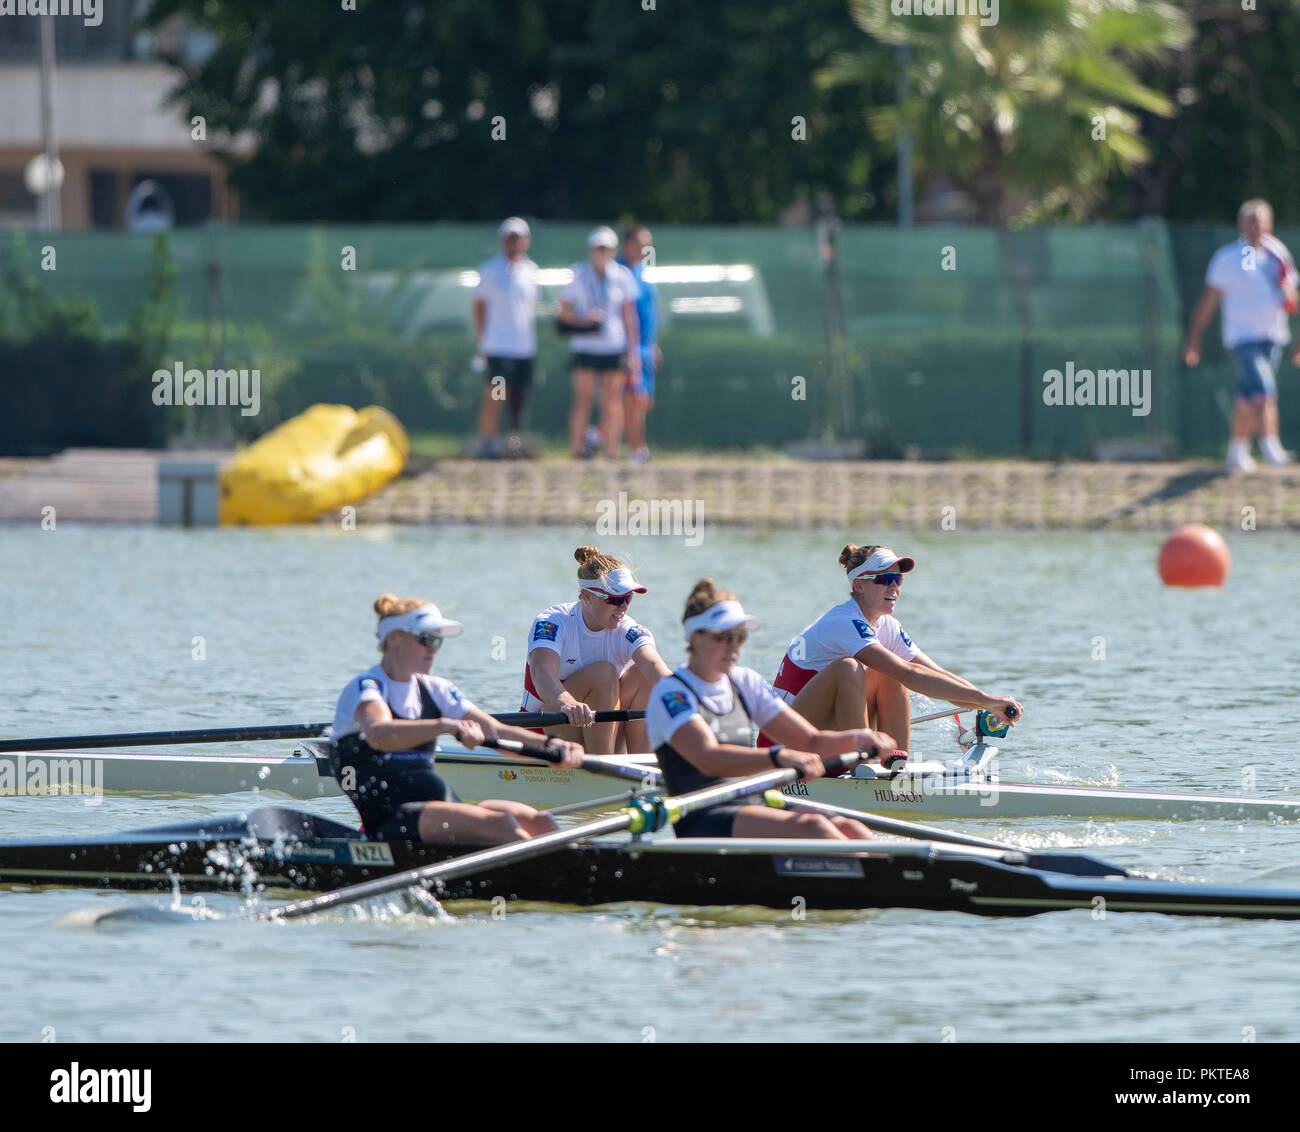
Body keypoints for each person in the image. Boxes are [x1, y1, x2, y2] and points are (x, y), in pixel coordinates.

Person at [647, 578, 894, 839]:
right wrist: (777, 757)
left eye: (739, 637)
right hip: (702, 816)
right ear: (695, 638)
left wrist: (860, 738)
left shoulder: (744, 681)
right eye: (723, 637)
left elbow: (810, 740)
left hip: (752, 800)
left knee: (850, 827)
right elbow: (707, 757)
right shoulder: (673, 693)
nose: (734, 646)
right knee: (815, 828)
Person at [332, 594, 583, 844]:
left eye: (437, 641)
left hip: (439, 806)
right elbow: (379, 734)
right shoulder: (368, 687)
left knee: (538, 821)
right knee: (503, 824)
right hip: (391, 819)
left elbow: (495, 731)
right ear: (394, 638)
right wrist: (446, 726)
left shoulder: (436, 689)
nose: (433, 648)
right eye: (426, 639)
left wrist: (551, 746)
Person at [759, 545, 1023, 760]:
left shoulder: (888, 627)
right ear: (859, 585)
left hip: (824, 735)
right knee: (851, 668)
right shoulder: (841, 621)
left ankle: (893, 767)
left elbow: (936, 674)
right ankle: (863, 766)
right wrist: (985, 699)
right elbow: (908, 673)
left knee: (887, 673)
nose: (894, 587)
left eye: (897, 579)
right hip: (781, 745)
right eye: (884, 579)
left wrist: (989, 705)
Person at [1183, 199, 1300, 470]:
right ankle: (1271, 447)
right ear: (1241, 224)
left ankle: (1236, 451)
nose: (1256, 226)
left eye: (1260, 220)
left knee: (1248, 397)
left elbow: (1292, 296)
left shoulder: (1278, 255)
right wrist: (1194, 337)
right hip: (1241, 337)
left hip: (1272, 336)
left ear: (1269, 223)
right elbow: (1209, 300)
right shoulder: (1228, 258)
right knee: (1263, 389)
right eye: (1250, 220)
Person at [522, 545, 672, 754]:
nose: (623, 607)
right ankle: (604, 766)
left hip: (595, 727)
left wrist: (689, 696)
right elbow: (542, 673)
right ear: (586, 595)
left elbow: (654, 665)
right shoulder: (553, 623)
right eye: (614, 599)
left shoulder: (628, 630)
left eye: (628, 598)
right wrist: (568, 702)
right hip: (542, 729)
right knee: (603, 673)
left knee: (644, 675)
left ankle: (642, 765)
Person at [559, 226, 640, 460]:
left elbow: (629, 316)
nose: (601, 252)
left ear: (613, 250)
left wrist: (632, 350)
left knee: (612, 400)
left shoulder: (622, 276)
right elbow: (563, 312)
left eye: (606, 248)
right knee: (583, 399)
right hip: (585, 345)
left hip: (614, 345)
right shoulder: (579, 274)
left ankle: (611, 451)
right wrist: (584, 320)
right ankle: (577, 450)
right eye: (598, 248)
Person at [473, 217, 540, 459]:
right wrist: (483, 342)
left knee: (518, 403)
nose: (514, 242)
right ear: (503, 240)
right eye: (510, 237)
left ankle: (513, 446)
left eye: (518, 237)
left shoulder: (531, 271)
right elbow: (479, 308)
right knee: (496, 396)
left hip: (524, 348)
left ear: (526, 241)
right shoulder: (490, 271)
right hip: (498, 347)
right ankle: (488, 444)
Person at [616, 224, 662, 463]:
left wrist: (653, 345)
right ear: (628, 244)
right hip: (628, 349)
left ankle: (595, 437)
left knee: (644, 401)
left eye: (648, 243)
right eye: (641, 243)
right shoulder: (618, 273)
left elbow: (649, 314)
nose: (646, 248)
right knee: (634, 399)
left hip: (645, 348)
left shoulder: (643, 273)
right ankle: (636, 449)